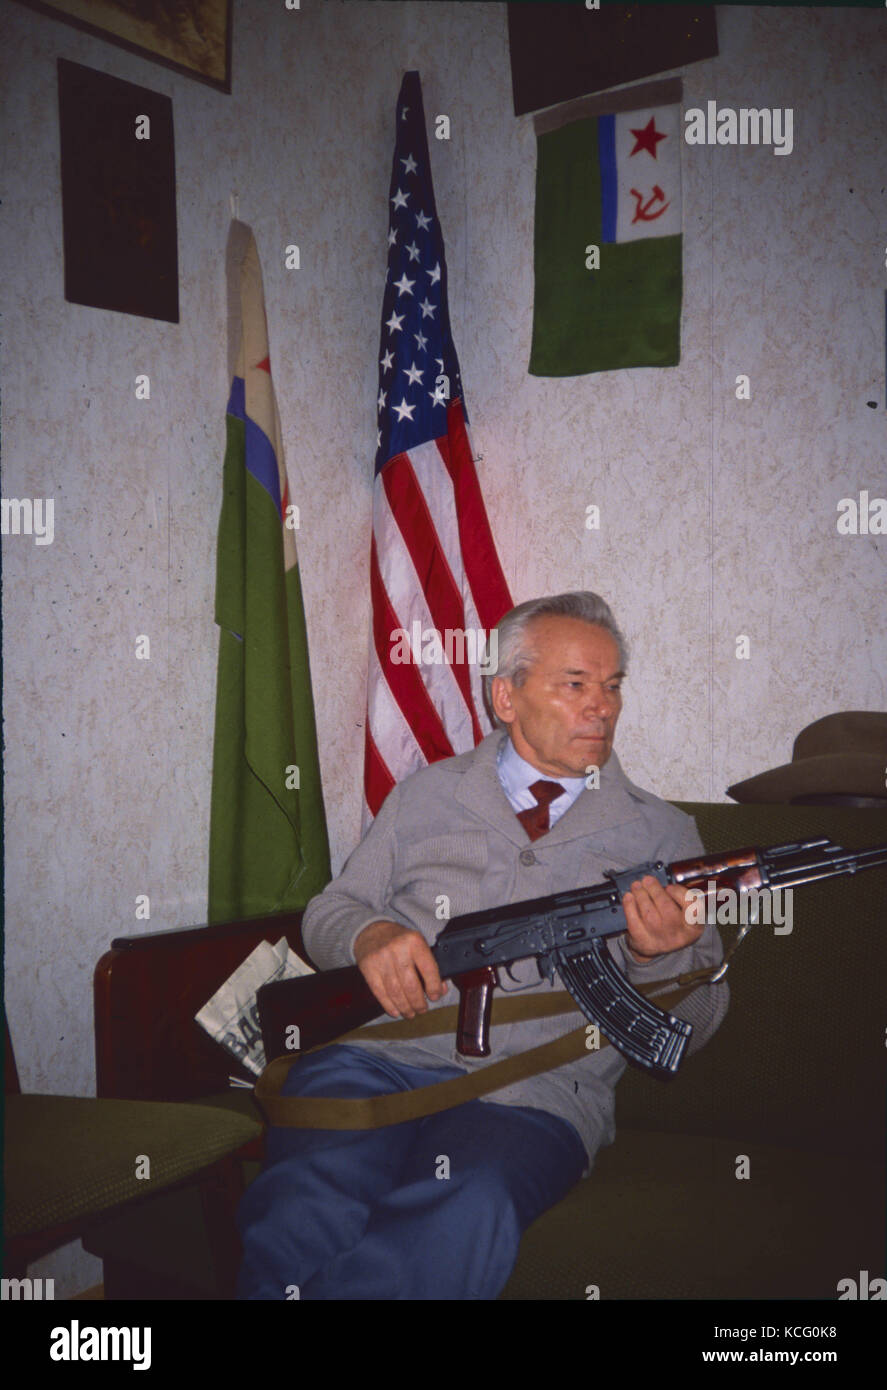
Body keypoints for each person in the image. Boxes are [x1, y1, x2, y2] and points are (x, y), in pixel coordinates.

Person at [236, 591, 729, 1300]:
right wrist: (370, 933)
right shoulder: (426, 795)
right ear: (506, 696)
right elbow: (331, 910)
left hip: (532, 1093)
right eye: (575, 684)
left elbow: (703, 1017)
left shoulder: (661, 834)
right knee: (304, 1203)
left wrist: (662, 957)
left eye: (612, 685)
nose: (603, 707)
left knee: (465, 1206)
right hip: (378, 1057)